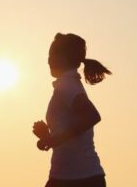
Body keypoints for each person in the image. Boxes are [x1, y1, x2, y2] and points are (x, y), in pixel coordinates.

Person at [32, 33, 112, 187]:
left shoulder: (67, 85)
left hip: (79, 179)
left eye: (51, 55)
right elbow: (71, 133)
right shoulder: (68, 84)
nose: (48, 60)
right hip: (70, 176)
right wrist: (48, 137)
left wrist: (54, 139)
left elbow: (92, 116)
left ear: (63, 57)